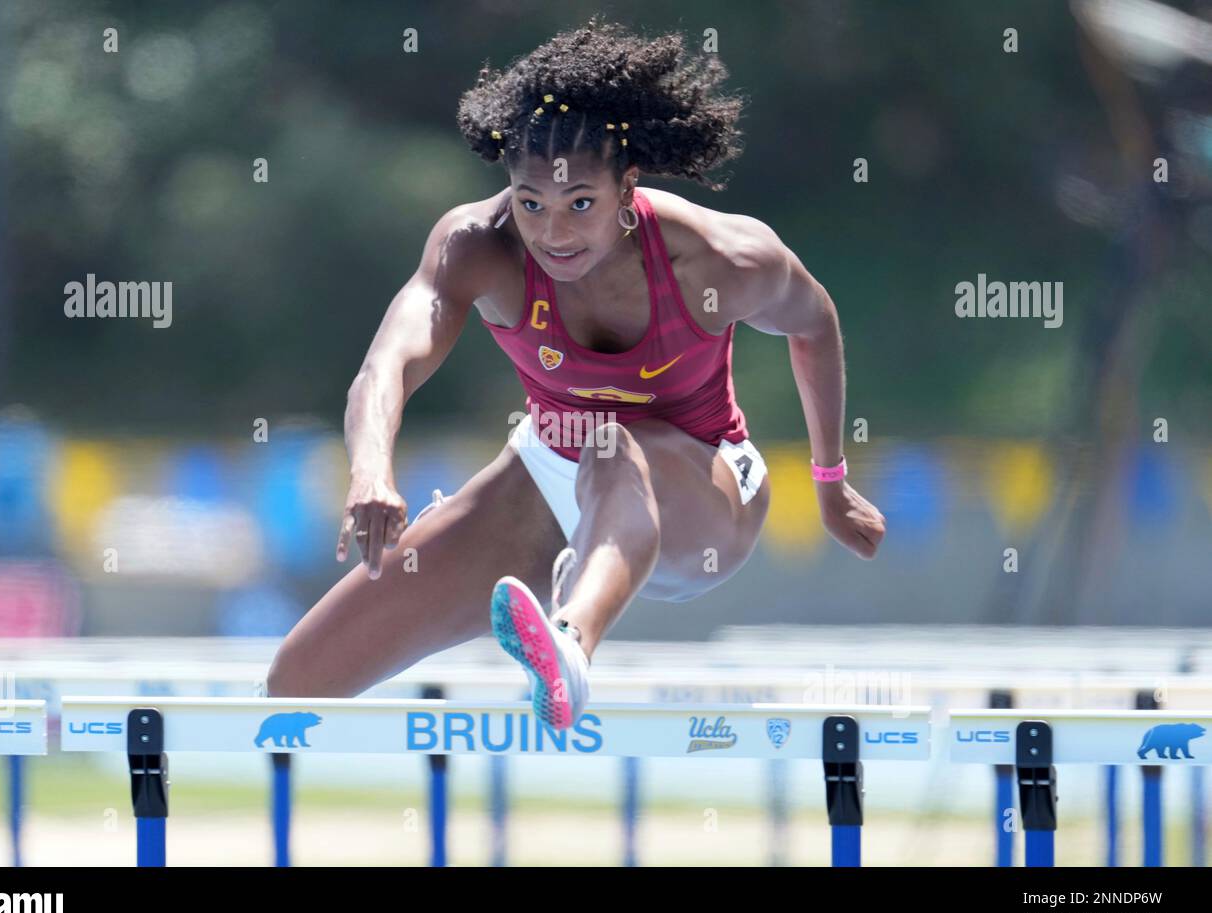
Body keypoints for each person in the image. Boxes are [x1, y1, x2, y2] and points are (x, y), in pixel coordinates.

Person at [267, 19, 885, 728]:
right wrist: (370, 470)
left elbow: (815, 324)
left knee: (611, 447)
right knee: (296, 683)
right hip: (548, 471)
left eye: (579, 205)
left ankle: (569, 642)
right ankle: (566, 582)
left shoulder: (722, 258)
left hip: (704, 495)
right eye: (532, 205)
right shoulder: (476, 246)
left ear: (628, 186)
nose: (554, 234)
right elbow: (387, 363)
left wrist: (830, 480)